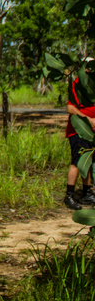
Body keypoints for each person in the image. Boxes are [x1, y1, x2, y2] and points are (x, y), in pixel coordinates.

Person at [64, 60, 95, 209]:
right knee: (77, 161)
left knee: (88, 161)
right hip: (78, 130)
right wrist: (87, 120)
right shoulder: (77, 84)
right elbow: (70, 108)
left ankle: (87, 192)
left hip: (92, 133)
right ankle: (69, 194)